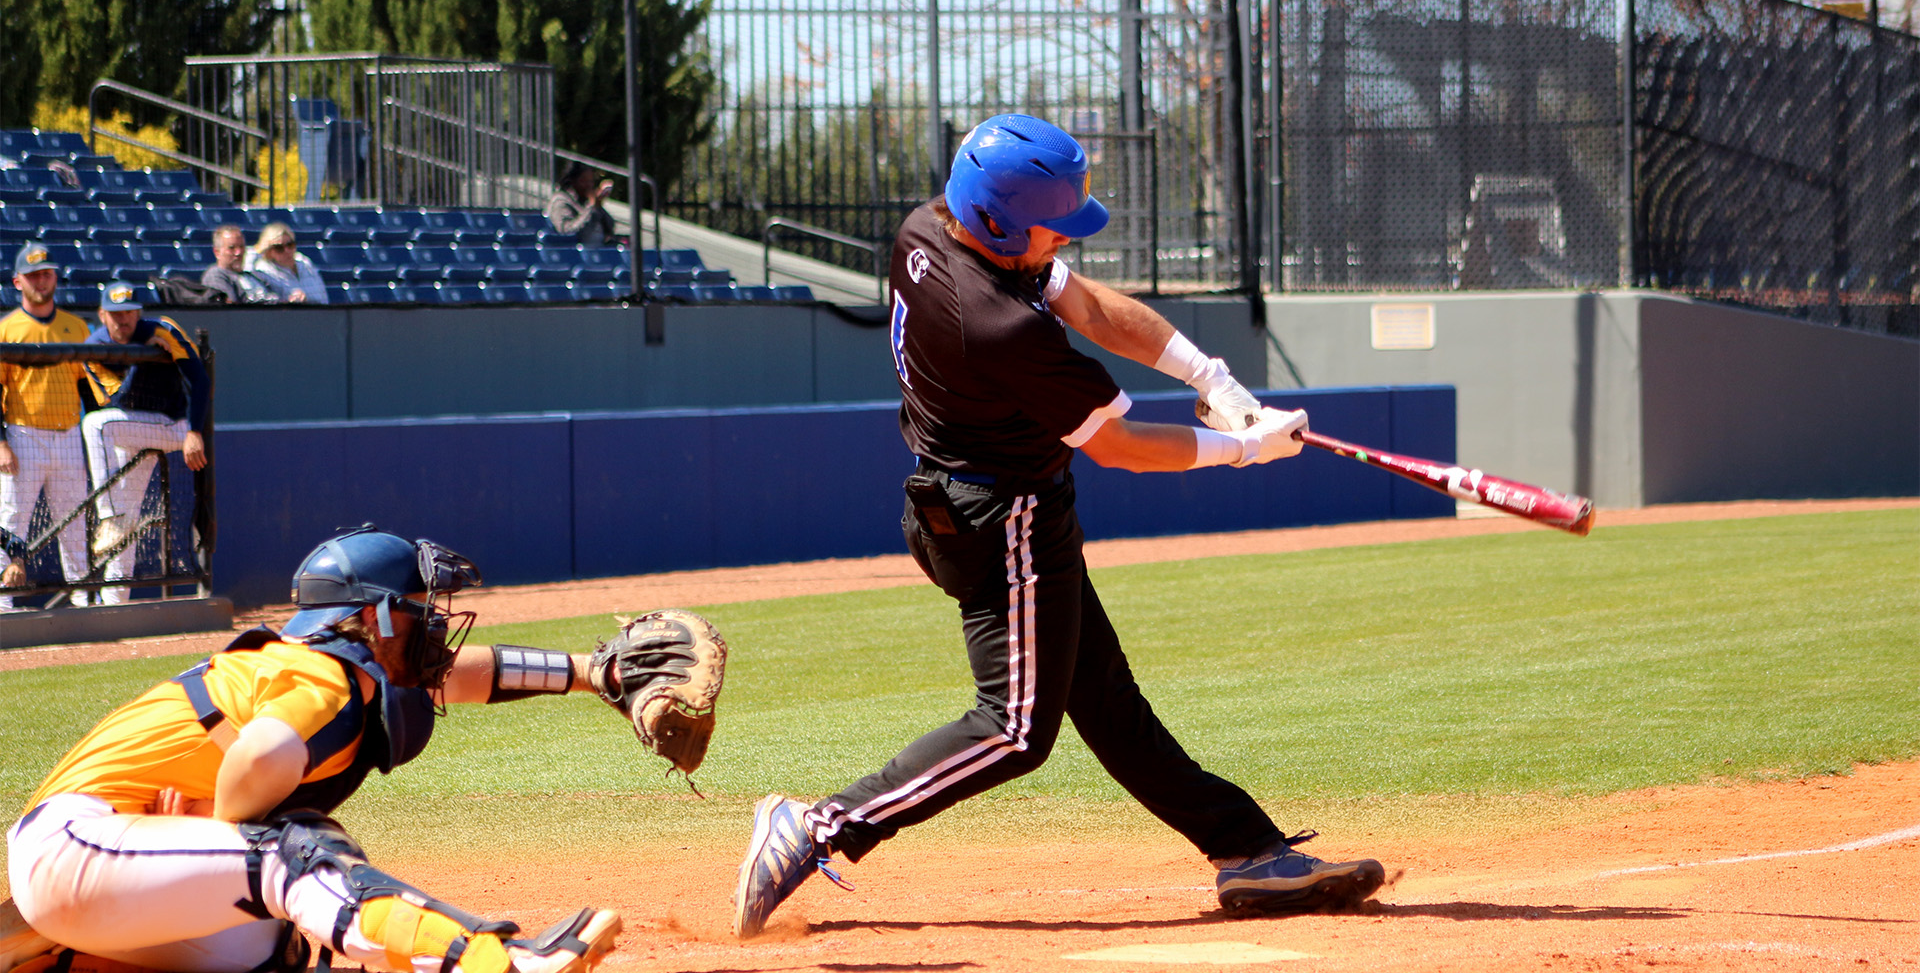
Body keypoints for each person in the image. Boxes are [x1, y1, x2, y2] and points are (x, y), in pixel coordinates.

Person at [731, 114, 1385, 938]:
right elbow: (1120, 445)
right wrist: (1245, 451)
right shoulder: (997, 325)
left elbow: (1095, 308)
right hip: (1000, 521)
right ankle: (822, 825)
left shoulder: (932, 227)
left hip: (985, 502)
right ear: (1003, 223)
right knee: (1013, 729)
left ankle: (1246, 849)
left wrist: (1210, 376)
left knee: (1105, 699)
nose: (1065, 240)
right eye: (1054, 225)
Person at [6, 525, 622, 973]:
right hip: (74, 846)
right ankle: (496, 962)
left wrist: (592, 673)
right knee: (295, 852)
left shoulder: (315, 670)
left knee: (273, 943)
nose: (436, 626)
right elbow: (260, 758)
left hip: (107, 882)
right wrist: (218, 827)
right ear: (375, 619)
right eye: (419, 613)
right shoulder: (322, 678)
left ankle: (62, 957)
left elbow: (456, 674)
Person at [79, 283, 211, 604]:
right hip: (130, 428)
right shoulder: (92, 347)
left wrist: (195, 431)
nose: (123, 320)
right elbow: (116, 401)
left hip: (172, 425)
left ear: (138, 312)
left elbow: (200, 378)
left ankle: (108, 518)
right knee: (128, 514)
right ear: (102, 315)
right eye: (115, 314)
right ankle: (114, 604)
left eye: (129, 312)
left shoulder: (162, 329)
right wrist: (142, 359)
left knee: (94, 425)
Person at [0, 242, 94, 608]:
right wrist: (1, 442)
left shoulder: (75, 326)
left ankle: (83, 602)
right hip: (22, 433)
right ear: (17, 281)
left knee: (73, 524)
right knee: (11, 521)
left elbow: (88, 386)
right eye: (34, 275)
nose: (41, 280)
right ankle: (3, 605)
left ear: (55, 277)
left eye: (47, 273)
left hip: (69, 434)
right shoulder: (7, 328)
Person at [245, 222, 328, 304]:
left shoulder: (305, 263)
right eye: (279, 248)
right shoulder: (264, 271)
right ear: (269, 251)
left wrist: (306, 299)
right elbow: (246, 272)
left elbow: (323, 298)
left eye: (290, 245)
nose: (287, 251)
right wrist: (259, 248)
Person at [544, 162, 617, 246]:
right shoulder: (561, 201)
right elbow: (567, 231)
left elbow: (610, 226)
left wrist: (598, 205)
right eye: (583, 181)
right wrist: (592, 208)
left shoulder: (587, 200)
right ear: (572, 181)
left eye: (591, 181)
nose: (589, 185)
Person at [199, 224, 271, 304]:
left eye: (241, 247)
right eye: (231, 248)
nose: (238, 253)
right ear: (217, 252)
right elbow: (230, 307)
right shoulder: (216, 276)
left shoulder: (255, 276)